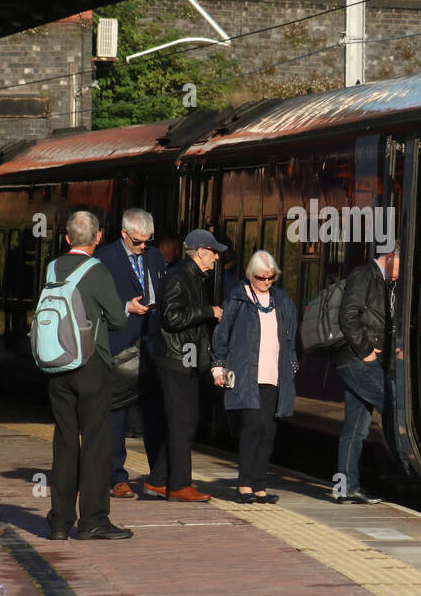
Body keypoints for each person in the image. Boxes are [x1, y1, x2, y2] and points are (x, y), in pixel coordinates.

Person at [44, 210, 133, 540]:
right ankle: (93, 519)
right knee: (96, 442)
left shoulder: (52, 268)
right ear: (98, 238)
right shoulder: (97, 270)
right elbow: (118, 319)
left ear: (67, 239)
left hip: (56, 365)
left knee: (64, 442)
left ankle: (58, 522)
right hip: (91, 364)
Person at [211, 250, 299, 504]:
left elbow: (291, 337)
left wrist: (292, 365)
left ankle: (260, 485)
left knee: (268, 431)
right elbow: (222, 335)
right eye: (261, 278)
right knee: (253, 427)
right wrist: (218, 366)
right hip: (245, 374)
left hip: (274, 376)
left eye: (271, 278)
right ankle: (244, 485)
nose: (266, 283)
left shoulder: (281, 301)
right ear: (251, 275)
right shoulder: (238, 300)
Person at [149, 229, 227, 502]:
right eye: (214, 252)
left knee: (183, 419)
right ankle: (180, 484)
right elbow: (171, 317)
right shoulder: (180, 277)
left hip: (186, 357)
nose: (217, 257)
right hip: (176, 358)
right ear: (201, 252)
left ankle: (158, 480)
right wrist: (209, 312)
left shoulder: (193, 277)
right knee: (184, 421)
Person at [95, 208, 167, 500]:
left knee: (156, 413)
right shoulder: (104, 259)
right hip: (120, 344)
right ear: (124, 233)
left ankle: (159, 475)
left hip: (151, 345)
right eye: (137, 241)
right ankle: (116, 476)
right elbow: (97, 302)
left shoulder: (154, 256)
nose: (143, 246)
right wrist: (126, 307)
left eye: (147, 240)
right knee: (117, 414)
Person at [333, 243, 399, 504]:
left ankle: (345, 488)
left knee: (355, 429)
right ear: (391, 258)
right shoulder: (364, 275)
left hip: (356, 362)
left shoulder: (382, 281)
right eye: (401, 267)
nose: (401, 274)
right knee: (394, 407)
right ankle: (406, 472)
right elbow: (347, 316)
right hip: (357, 361)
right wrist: (366, 350)